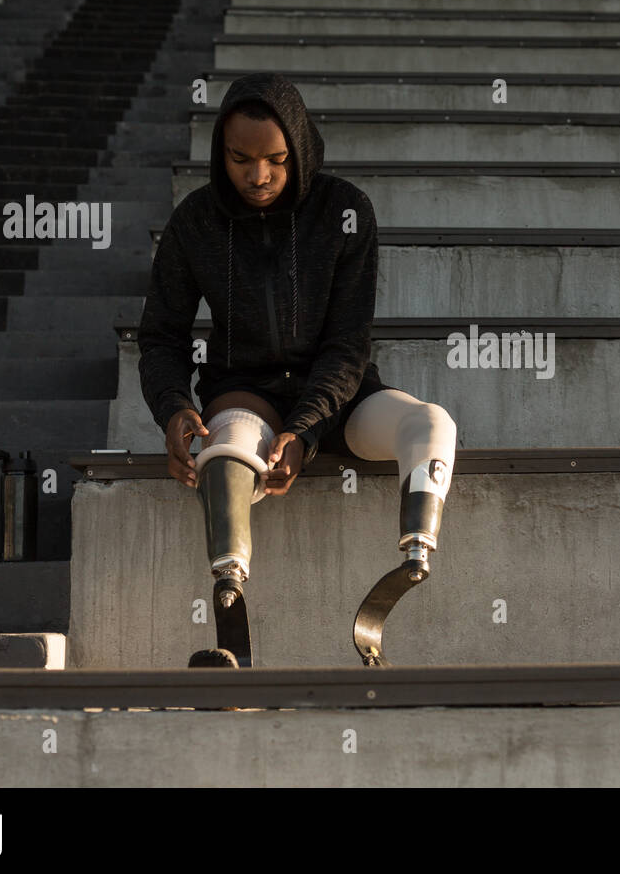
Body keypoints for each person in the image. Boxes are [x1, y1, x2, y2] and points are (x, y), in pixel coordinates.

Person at [137, 72, 457, 655]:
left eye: (277, 160)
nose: (259, 176)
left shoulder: (345, 211)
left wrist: (305, 429)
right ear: (220, 153)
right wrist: (175, 409)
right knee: (227, 443)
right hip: (246, 392)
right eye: (240, 159)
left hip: (342, 399)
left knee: (431, 424)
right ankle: (229, 593)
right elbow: (161, 337)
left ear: (300, 148)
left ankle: (414, 559)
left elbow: (347, 343)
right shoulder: (195, 222)